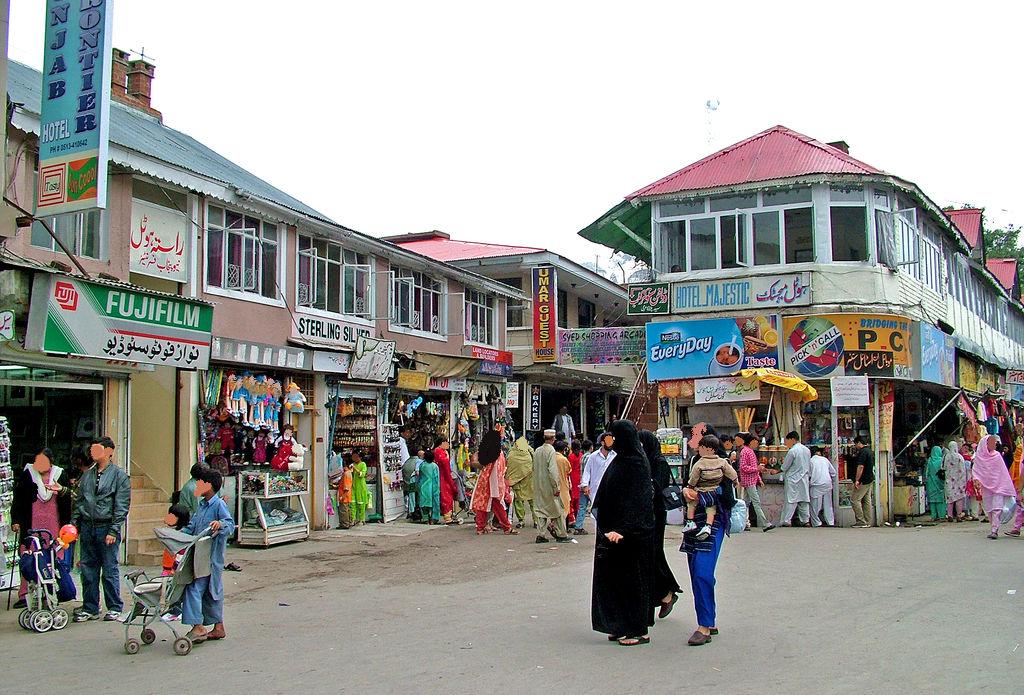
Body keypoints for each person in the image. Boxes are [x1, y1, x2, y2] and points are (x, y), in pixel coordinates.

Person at [591, 420, 656, 646]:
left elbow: (637, 503)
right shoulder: (621, 460)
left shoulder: (636, 463)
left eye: (615, 437)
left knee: (632, 582)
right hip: (614, 535)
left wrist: (622, 529)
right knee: (614, 581)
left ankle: (638, 630)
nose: (612, 441)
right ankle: (618, 625)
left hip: (632, 536)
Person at [72, 436, 131, 622]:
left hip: (106, 526)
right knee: (88, 568)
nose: (92, 452)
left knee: (109, 568)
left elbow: (121, 505)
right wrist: (74, 524)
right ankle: (90, 607)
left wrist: (114, 530)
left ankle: (114, 606)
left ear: (109, 451)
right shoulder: (87, 475)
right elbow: (79, 501)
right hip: (88, 527)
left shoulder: (119, 476)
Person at [11, 447, 72, 608]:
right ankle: (25, 594)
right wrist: (16, 520)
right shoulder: (28, 474)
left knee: (52, 559)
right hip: (31, 523)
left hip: (54, 524)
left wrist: (67, 525)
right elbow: (18, 498)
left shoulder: (60, 475)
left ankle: (50, 592)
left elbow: (66, 503)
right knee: (29, 556)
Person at [182, 468, 236, 643]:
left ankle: (198, 626)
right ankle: (218, 627)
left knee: (194, 589)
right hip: (199, 555)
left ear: (210, 486)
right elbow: (192, 527)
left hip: (210, 558)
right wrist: (176, 536)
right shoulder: (202, 505)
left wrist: (219, 524)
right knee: (210, 591)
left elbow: (229, 524)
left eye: (201, 482)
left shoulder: (218, 505)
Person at [680, 477, 735, 646]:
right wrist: (685, 492)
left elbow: (728, 498)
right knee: (697, 572)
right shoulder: (693, 462)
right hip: (693, 524)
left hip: (714, 524)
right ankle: (709, 617)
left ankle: (704, 626)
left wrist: (701, 496)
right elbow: (686, 488)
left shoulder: (721, 463)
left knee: (702, 571)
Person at [638, 429, 681, 619]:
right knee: (649, 556)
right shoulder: (644, 460)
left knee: (654, 554)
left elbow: (656, 486)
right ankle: (665, 594)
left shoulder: (659, 462)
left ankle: (667, 593)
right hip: (646, 515)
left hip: (656, 513)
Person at [682, 435, 737, 540]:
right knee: (711, 508)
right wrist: (735, 480)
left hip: (710, 503)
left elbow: (693, 479)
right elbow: (732, 474)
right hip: (710, 498)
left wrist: (691, 488)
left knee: (692, 505)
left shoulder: (700, 463)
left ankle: (691, 522)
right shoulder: (720, 461)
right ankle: (706, 525)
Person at [470, 428, 517, 535]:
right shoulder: (495, 452)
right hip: (492, 482)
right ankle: (506, 527)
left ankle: (481, 528)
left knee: (483, 505)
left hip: (487, 481)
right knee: (496, 506)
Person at [971, 434, 1017, 540]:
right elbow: (976, 470)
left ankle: (994, 530)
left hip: (999, 486)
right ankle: (993, 527)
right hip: (986, 488)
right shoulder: (979, 457)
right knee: (990, 509)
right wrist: (976, 480)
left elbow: (1002, 472)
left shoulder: (997, 456)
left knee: (997, 508)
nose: (993, 445)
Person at [532, 429, 570, 543]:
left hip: (538, 484)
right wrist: (556, 487)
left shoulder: (537, 451)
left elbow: (533, 468)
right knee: (558, 509)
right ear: (553, 439)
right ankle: (561, 534)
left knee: (541, 510)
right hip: (549, 485)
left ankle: (541, 534)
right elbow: (553, 471)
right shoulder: (551, 451)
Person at [579, 432, 616, 528]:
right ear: (603, 443)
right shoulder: (593, 456)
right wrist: (585, 485)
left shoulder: (615, 456)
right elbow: (587, 471)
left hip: (611, 489)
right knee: (597, 515)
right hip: (596, 490)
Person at [738, 434, 773, 532]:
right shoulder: (745, 451)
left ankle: (744, 523)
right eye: (756, 442)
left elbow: (752, 466)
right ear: (751, 441)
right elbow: (743, 467)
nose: (757, 444)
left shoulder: (749, 451)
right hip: (748, 481)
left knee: (746, 503)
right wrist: (757, 470)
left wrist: (759, 478)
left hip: (750, 480)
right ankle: (764, 523)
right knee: (755, 502)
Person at [778, 431, 811, 527]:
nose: (786, 443)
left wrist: (777, 470)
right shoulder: (807, 450)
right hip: (804, 478)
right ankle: (805, 520)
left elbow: (785, 466)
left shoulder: (792, 451)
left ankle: (786, 521)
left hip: (793, 479)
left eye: (787, 441)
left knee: (791, 500)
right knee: (804, 500)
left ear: (792, 439)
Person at [505, 436, 535, 528]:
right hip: (529, 478)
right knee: (532, 500)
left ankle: (521, 520)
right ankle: (536, 521)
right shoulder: (529, 450)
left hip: (516, 479)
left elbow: (508, 463)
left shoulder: (511, 451)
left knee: (518, 501)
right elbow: (535, 461)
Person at [848, 436, 875, 528]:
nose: (855, 446)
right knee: (866, 500)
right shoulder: (870, 451)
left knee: (854, 499)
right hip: (870, 478)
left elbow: (860, 467)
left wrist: (857, 480)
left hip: (863, 480)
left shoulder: (863, 452)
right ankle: (867, 521)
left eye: (855, 444)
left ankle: (861, 521)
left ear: (859, 443)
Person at [808, 446, 837, 527]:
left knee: (815, 506)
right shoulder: (825, 459)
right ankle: (830, 522)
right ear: (818, 452)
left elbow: (809, 474)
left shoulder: (810, 461)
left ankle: (816, 523)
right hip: (827, 484)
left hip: (816, 485)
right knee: (828, 505)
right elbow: (833, 472)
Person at [942, 441, 968, 522]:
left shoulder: (946, 457)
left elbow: (943, 467)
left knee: (950, 499)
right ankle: (959, 515)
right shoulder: (959, 457)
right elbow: (963, 469)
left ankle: (950, 515)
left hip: (949, 480)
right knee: (959, 499)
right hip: (959, 481)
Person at [435, 437, 458, 524]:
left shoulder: (441, 452)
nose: (448, 444)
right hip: (443, 477)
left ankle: (448, 515)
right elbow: (445, 467)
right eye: (447, 442)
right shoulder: (440, 452)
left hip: (443, 476)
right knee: (446, 496)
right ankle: (447, 517)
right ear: (442, 443)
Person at [418, 450, 441, 524]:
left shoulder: (422, 465)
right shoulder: (434, 466)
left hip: (423, 486)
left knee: (424, 503)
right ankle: (434, 518)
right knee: (435, 503)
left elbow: (420, 476)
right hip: (433, 486)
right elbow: (436, 477)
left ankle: (425, 518)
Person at [924, 445, 947, 521]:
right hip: (940, 481)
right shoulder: (941, 460)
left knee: (932, 500)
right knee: (941, 499)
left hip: (930, 482)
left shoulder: (929, 460)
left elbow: (926, 472)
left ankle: (933, 516)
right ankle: (942, 515)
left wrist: (925, 480)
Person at [554, 440, 573, 526]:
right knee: (565, 507)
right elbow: (569, 470)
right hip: (563, 486)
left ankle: (554, 524)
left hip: (553, 486)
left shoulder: (551, 458)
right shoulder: (563, 459)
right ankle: (563, 528)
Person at [401, 440, 420, 520]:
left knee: (411, 499)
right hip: (416, 485)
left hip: (407, 485)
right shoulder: (419, 462)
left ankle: (411, 512)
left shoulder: (406, 462)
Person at [568, 440, 584, 527]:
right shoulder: (581, 455)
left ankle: (571, 518)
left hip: (572, 478)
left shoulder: (571, 456)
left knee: (571, 499)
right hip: (579, 478)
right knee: (578, 500)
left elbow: (569, 469)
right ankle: (578, 519)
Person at [350, 450, 369, 525]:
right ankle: (353, 519)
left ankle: (362, 519)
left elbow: (362, 474)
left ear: (360, 457)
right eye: (353, 457)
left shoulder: (363, 464)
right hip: (353, 486)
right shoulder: (353, 464)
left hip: (361, 486)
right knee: (353, 503)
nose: (354, 458)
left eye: (356, 457)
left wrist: (355, 469)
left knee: (361, 503)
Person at [337, 458, 355, 529]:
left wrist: (342, 496)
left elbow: (346, 488)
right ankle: (348, 523)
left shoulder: (346, 474)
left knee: (343, 511)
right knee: (347, 510)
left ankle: (345, 524)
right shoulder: (349, 473)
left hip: (344, 496)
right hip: (347, 496)